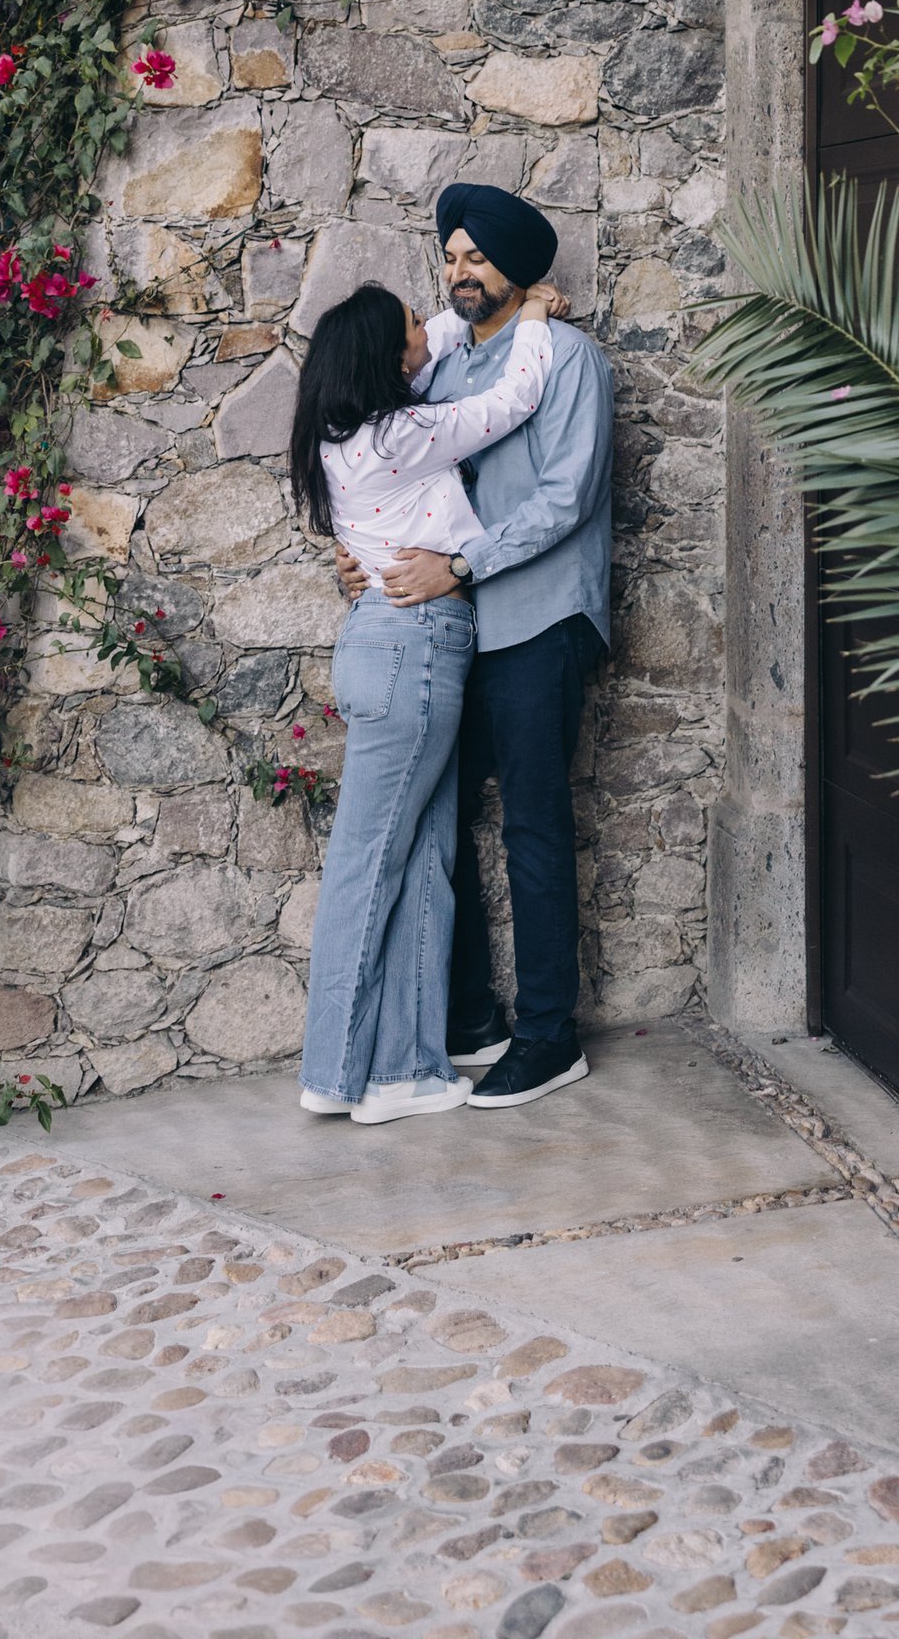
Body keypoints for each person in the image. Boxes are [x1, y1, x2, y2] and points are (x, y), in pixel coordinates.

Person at [335, 183, 613, 1114]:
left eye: (475, 258)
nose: (458, 273)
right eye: (449, 258)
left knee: (533, 824)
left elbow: (564, 499)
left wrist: (457, 562)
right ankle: (467, 1018)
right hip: (447, 634)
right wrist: (372, 558)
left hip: (537, 619)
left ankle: (548, 1036)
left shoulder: (570, 359)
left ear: (517, 271)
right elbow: (392, 467)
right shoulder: (440, 373)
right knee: (439, 825)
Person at [288, 274, 566, 1124]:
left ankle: (407, 1069)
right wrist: (535, 318)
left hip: (389, 644)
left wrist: (468, 318)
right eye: (412, 324)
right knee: (370, 862)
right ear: (384, 357)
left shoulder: (338, 440)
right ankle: (335, 1071)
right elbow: (513, 399)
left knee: (420, 859)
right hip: (415, 649)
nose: (430, 327)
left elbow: (442, 337)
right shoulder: (400, 435)